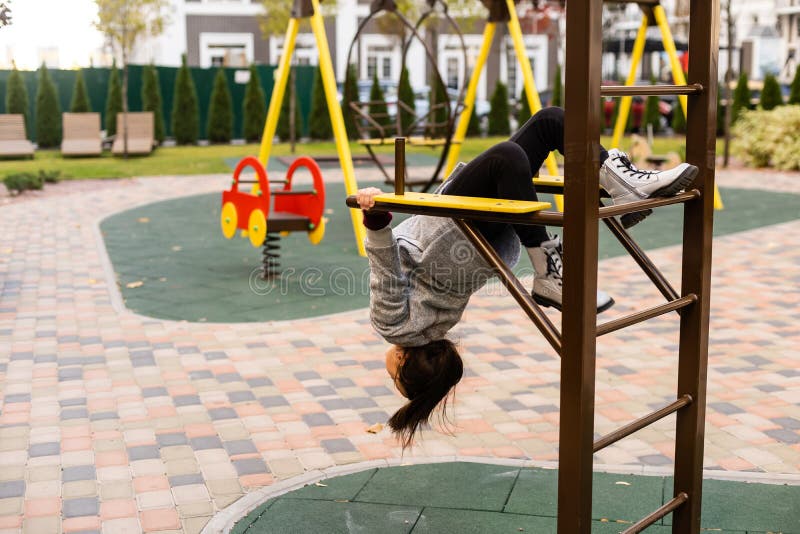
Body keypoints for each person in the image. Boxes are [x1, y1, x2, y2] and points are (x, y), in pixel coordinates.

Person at [356, 107, 698, 447]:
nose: (386, 367)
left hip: (475, 245)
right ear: (402, 363)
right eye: (392, 376)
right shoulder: (392, 328)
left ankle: (625, 183)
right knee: (506, 155)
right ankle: (548, 269)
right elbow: (384, 268)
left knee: (548, 125)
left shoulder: (439, 328)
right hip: (451, 232)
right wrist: (375, 219)